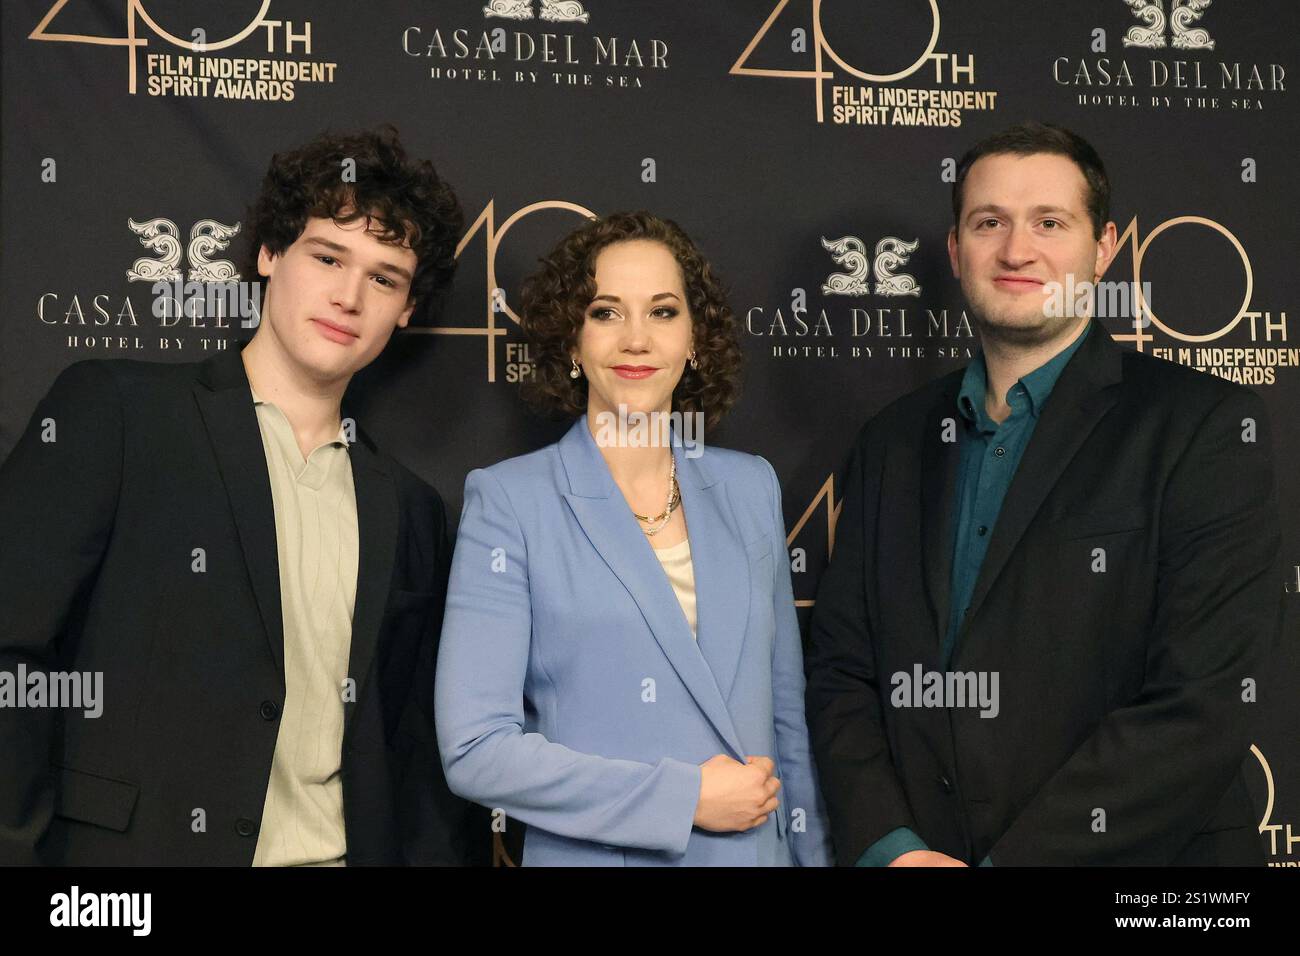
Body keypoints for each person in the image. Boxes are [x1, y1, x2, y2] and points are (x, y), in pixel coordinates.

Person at [805, 121, 1282, 867]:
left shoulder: (1203, 428)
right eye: (989, 222)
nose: (1016, 250)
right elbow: (843, 672)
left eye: (1049, 223)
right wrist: (892, 849)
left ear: (1105, 248)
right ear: (957, 250)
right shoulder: (891, 443)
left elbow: (1205, 700)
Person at [0, 125, 478, 865]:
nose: (349, 296)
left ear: (408, 308)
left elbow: (412, 751)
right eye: (328, 257)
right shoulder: (118, 412)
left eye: (384, 278)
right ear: (269, 253)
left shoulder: (409, 509)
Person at [435, 210, 832, 866]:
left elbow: (787, 722)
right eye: (607, 312)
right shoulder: (511, 502)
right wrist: (680, 799)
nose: (637, 340)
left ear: (696, 340)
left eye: (664, 312)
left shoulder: (749, 487)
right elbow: (476, 751)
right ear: (571, 342)